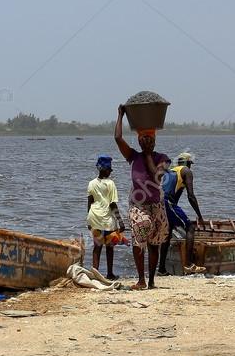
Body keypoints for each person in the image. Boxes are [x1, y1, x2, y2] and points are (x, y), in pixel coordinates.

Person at [114, 105, 169, 289]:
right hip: (138, 206)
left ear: (154, 142)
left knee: (154, 244)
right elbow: (117, 138)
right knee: (139, 242)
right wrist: (120, 116)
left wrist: (147, 155)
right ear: (138, 141)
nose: (148, 142)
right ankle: (141, 279)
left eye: (151, 139)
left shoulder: (163, 158)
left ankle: (151, 279)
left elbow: (156, 176)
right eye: (144, 139)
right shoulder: (133, 156)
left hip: (157, 205)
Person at [160, 151, 206, 275]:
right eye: (190, 164)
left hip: (160, 203)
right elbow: (191, 196)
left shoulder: (171, 171)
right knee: (190, 227)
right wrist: (200, 216)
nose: (190, 167)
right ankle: (189, 264)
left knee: (167, 233)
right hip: (168, 203)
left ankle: (161, 269)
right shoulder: (186, 171)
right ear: (187, 163)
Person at [87, 155, 124, 280]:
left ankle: (95, 274)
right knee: (109, 247)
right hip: (107, 219)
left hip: (94, 217)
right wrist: (120, 221)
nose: (110, 172)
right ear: (105, 170)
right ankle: (109, 274)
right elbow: (113, 204)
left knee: (97, 247)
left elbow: (89, 202)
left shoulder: (91, 183)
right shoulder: (110, 183)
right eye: (109, 170)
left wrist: (89, 220)